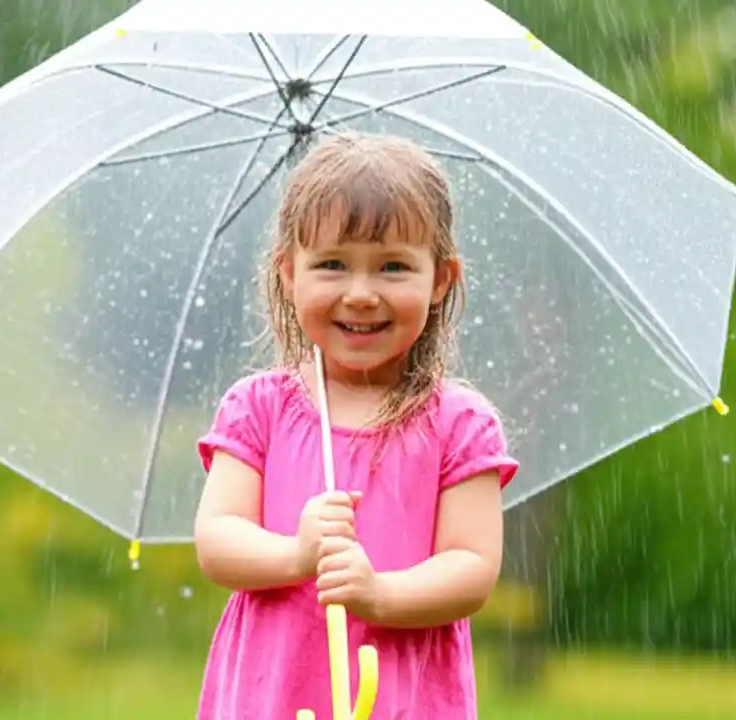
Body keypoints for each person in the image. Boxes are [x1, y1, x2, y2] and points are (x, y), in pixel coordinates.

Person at [192, 132, 519, 719]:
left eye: (394, 266)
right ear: (290, 275)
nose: (361, 294)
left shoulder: (459, 426)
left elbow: (471, 568)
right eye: (332, 265)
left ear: (441, 278)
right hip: (277, 688)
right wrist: (297, 554)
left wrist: (379, 595)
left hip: (403, 694)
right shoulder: (259, 409)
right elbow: (218, 540)